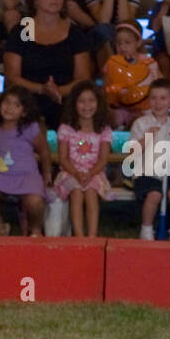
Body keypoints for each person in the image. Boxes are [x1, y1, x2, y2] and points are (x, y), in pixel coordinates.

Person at [3, 0, 93, 127]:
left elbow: (83, 77)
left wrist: (58, 91)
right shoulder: (21, 32)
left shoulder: (75, 34)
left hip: (65, 98)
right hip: (28, 98)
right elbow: (12, 77)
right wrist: (42, 89)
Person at [0, 87, 51, 236]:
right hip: (1, 174)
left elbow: (44, 151)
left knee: (36, 202)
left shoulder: (30, 128)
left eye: (16, 105)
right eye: (6, 102)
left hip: (27, 175)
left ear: (24, 112)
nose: (9, 108)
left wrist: (47, 174)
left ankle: (36, 229)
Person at [127, 79, 170, 240]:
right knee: (154, 194)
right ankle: (146, 229)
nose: (158, 103)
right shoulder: (140, 124)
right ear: (148, 101)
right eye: (154, 98)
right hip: (147, 172)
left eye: (163, 98)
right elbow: (132, 151)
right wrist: (147, 138)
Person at [54, 82, 113, 237]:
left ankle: (92, 235)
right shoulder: (66, 128)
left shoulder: (104, 129)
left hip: (95, 173)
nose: (87, 106)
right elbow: (63, 158)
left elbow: (103, 159)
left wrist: (90, 173)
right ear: (74, 104)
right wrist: (76, 173)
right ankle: (79, 235)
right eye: (81, 101)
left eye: (91, 101)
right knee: (77, 191)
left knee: (91, 192)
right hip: (69, 172)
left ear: (98, 103)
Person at [103, 22, 158, 127]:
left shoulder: (148, 62)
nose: (122, 47)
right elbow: (107, 87)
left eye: (127, 43)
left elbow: (158, 83)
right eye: (119, 43)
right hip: (120, 107)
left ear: (137, 43)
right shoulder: (111, 64)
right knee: (111, 119)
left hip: (143, 108)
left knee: (142, 121)